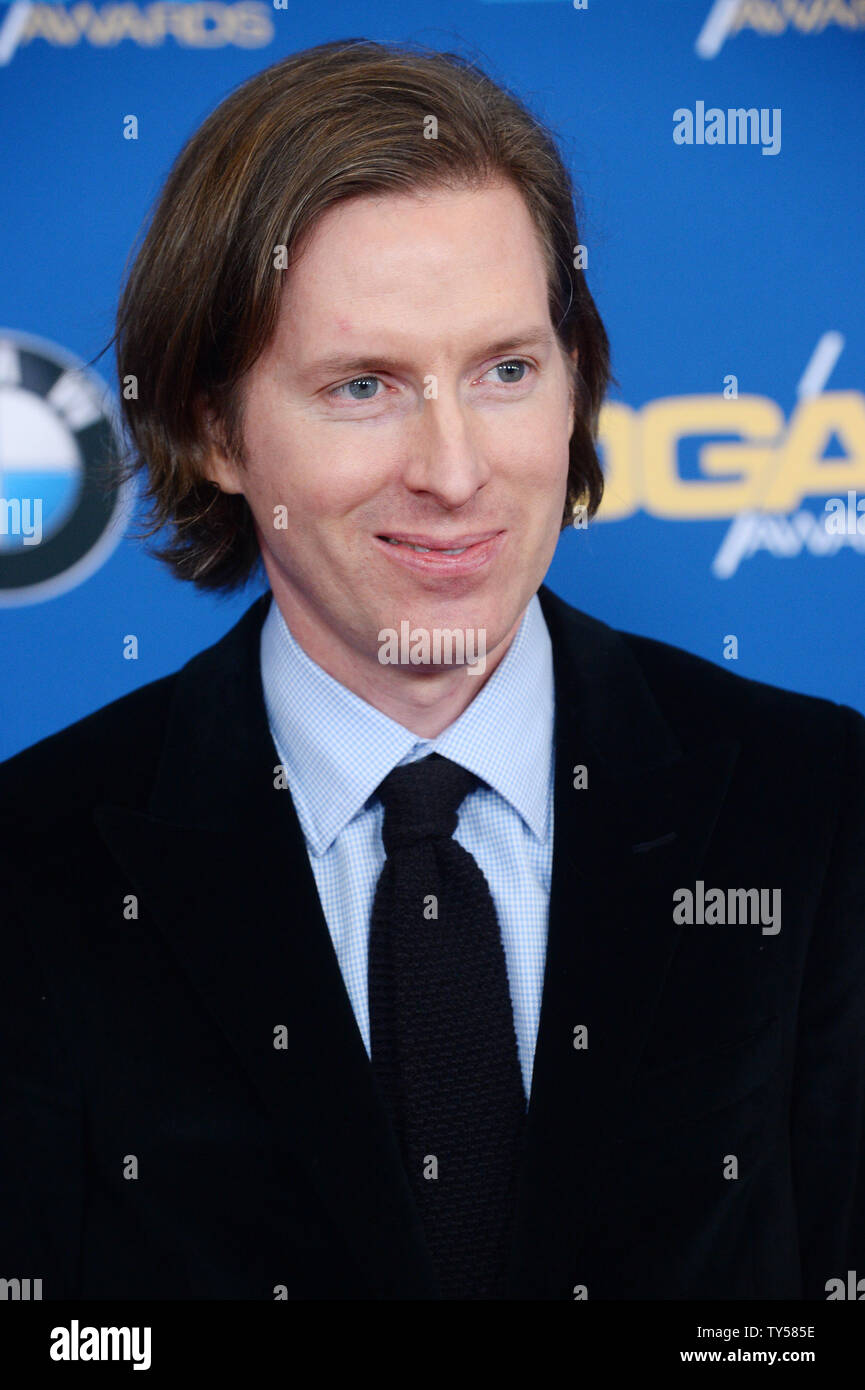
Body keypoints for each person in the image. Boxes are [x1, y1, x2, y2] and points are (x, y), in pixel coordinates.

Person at [1, 38, 863, 1302]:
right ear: (208, 427)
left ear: (577, 382)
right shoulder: (34, 866)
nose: (456, 471)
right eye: (364, 385)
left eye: (506, 371)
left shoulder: (819, 807)